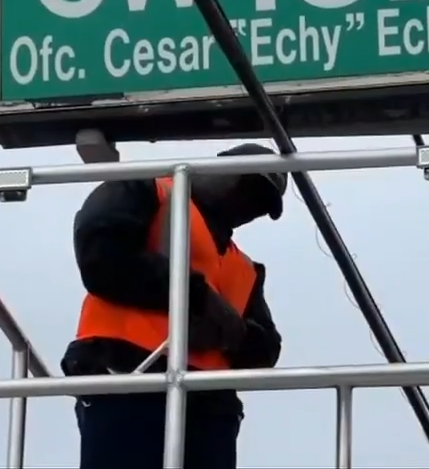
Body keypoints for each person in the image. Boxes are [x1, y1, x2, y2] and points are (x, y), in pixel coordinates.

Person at [63, 143, 288, 469]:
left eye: (261, 204)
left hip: (208, 413)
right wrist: (195, 296)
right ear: (220, 171)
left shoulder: (245, 269)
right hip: (126, 383)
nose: (248, 206)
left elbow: (267, 349)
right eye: (247, 186)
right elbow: (101, 259)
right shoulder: (146, 188)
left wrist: (231, 332)